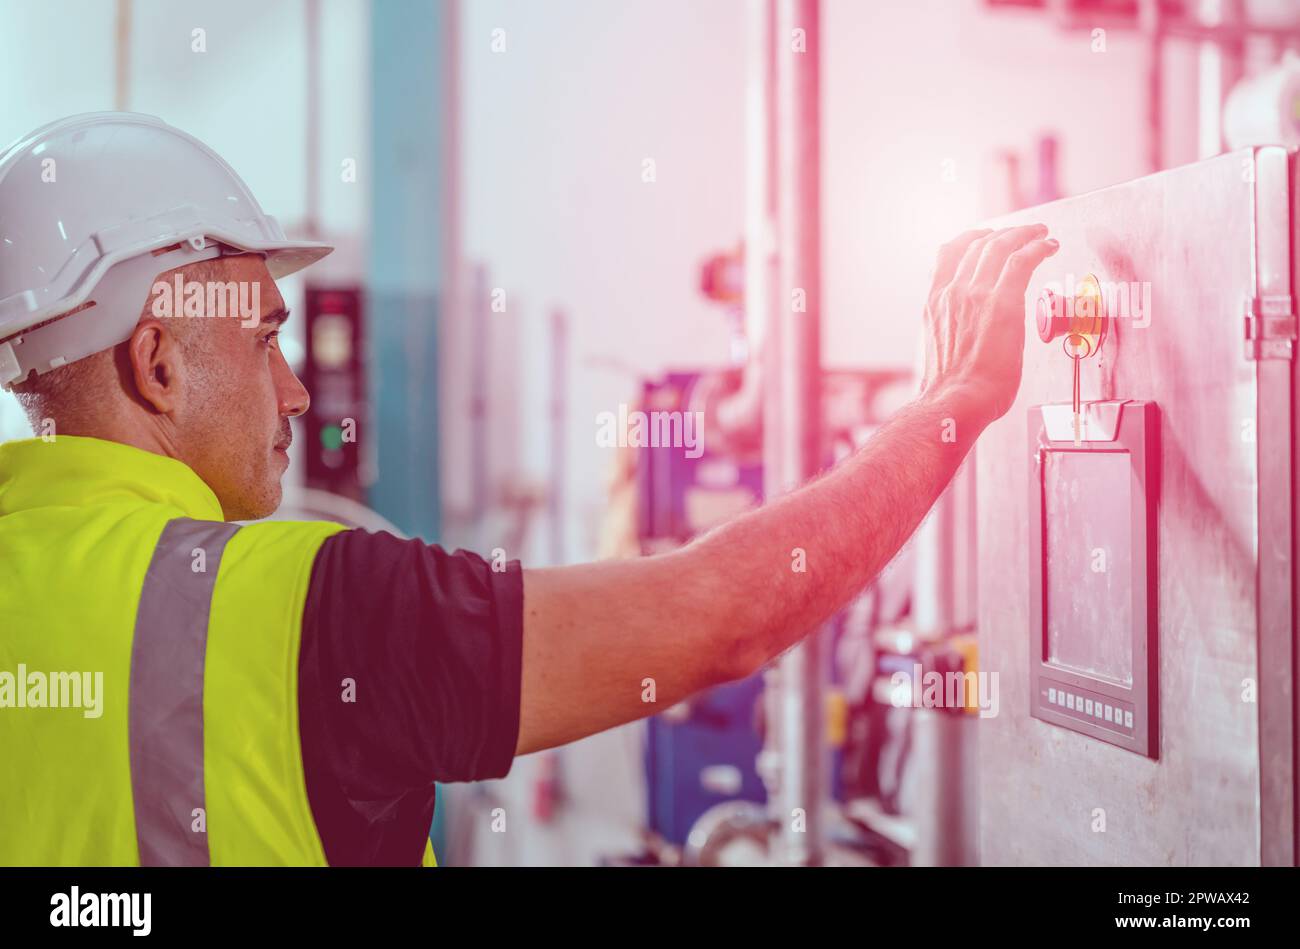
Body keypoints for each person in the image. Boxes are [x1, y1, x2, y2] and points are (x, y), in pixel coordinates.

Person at [0, 113, 1057, 866]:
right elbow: (720, 617)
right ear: (158, 361)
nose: (292, 388)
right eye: (264, 337)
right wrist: (954, 399)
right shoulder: (304, 604)